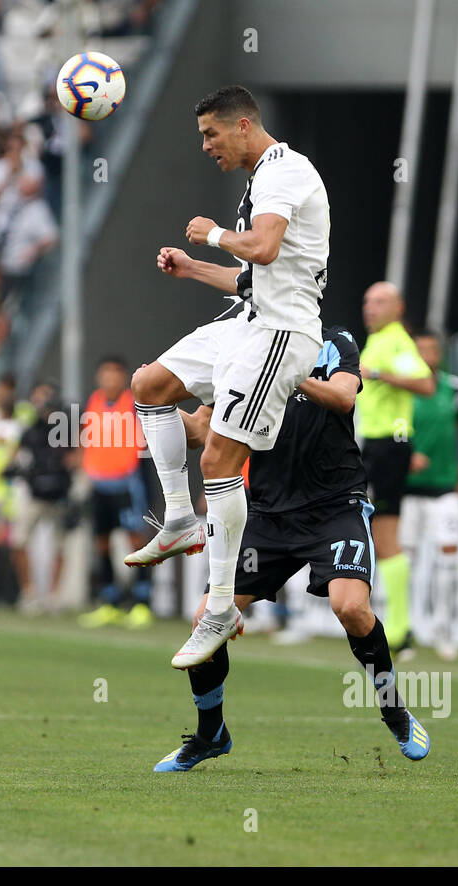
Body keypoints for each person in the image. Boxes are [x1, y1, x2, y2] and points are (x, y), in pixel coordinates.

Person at [155, 327, 430, 772]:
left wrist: (285, 375)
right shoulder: (242, 348)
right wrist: (158, 406)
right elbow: (199, 432)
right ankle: (210, 735)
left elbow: (343, 398)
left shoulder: (334, 342)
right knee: (207, 617)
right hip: (267, 516)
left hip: (335, 506)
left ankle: (394, 711)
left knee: (351, 608)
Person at [127, 85, 330, 670]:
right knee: (149, 386)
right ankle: (180, 519)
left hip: (281, 333)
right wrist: (194, 269)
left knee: (217, 459)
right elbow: (250, 280)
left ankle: (220, 606)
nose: (206, 147)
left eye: (211, 134)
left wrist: (212, 233)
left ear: (243, 126)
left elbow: (263, 250)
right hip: (248, 319)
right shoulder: (262, 176)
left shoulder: (285, 172)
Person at [353, 281, 435, 652]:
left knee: (386, 534)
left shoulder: (397, 342)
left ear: (398, 307)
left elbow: (425, 383)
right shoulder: (379, 341)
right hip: (377, 444)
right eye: (368, 300)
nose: (371, 307)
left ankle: (400, 630)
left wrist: (377, 374)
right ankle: (395, 626)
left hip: (389, 444)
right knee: (379, 532)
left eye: (380, 301)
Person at [399, 331, 458, 661]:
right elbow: (394, 429)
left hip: (446, 488)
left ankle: (444, 629)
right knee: (407, 563)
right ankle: (406, 632)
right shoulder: (402, 388)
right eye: (421, 349)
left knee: (448, 559)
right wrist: (405, 454)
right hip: (408, 490)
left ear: (440, 354)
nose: (427, 354)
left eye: (432, 349)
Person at [78, 356, 154, 629]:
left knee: (137, 543)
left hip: (126, 485)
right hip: (99, 486)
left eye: (114, 374)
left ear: (123, 378)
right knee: (102, 543)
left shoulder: (133, 405)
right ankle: (110, 602)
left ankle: (143, 603)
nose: (109, 379)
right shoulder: (93, 402)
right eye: (105, 374)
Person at [9, 381, 75, 613]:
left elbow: (77, 457)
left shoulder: (68, 426)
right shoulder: (29, 429)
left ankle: (54, 596)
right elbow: (16, 457)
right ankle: (29, 593)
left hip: (59, 494)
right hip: (34, 493)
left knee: (59, 545)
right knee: (18, 541)